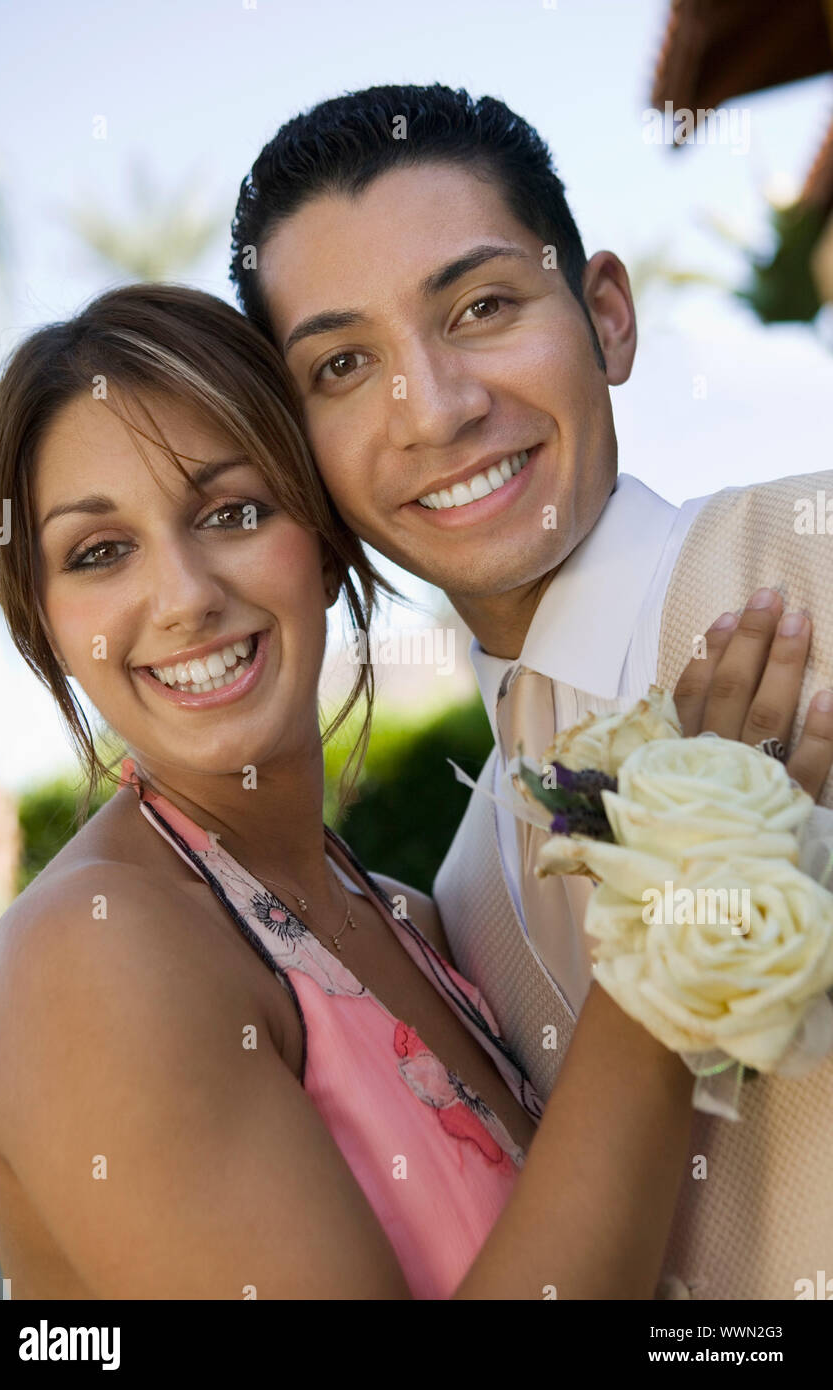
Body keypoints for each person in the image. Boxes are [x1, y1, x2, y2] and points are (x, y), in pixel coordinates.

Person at [0, 283, 822, 1301]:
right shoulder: (91, 949)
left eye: (233, 511)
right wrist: (686, 872)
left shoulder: (416, 915)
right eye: (99, 553)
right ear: (49, 627)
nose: (187, 595)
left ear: (326, 545)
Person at [229, 82, 833, 1298]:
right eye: (345, 365)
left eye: (482, 306)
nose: (439, 410)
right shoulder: (461, 905)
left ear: (606, 315)